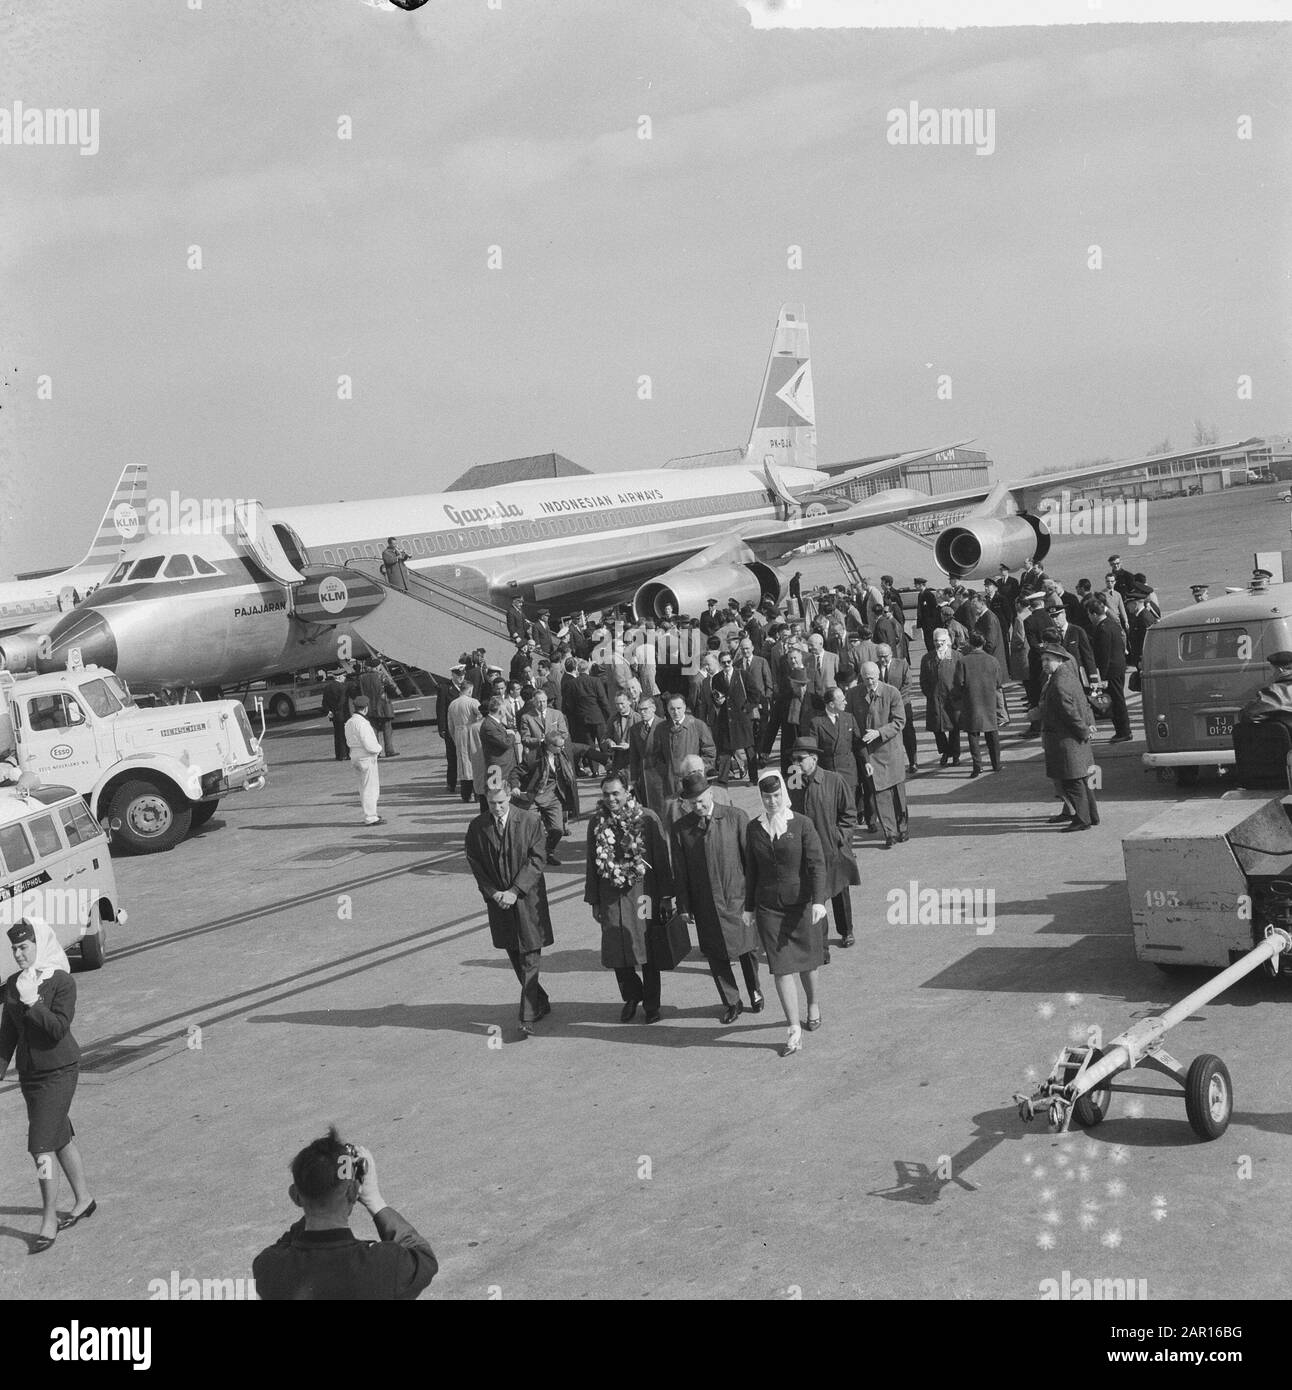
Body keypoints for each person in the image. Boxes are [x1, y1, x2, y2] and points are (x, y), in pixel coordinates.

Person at [252, 1127, 437, 1300]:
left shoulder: (269, 1268)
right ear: (352, 1192)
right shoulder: (384, 1266)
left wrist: (317, 1191)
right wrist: (374, 1200)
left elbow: (286, 1244)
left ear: (295, 1196)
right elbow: (423, 1256)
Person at [0, 921, 94, 1253]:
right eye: (14, 948)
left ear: (40, 944)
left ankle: (48, 1220)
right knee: (59, 1136)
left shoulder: (61, 982)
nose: (18, 953)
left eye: (24, 947)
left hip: (60, 1069)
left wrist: (33, 1004)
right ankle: (84, 1199)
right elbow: (8, 1035)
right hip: (31, 1076)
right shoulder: (12, 984)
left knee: (41, 1146)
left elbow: (57, 1029)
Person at [743, 772, 827, 1056]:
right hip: (769, 908)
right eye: (767, 797)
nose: (772, 801)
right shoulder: (754, 828)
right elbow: (751, 871)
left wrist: (818, 901)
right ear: (761, 797)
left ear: (784, 794)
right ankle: (794, 1029)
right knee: (780, 967)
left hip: (801, 905)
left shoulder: (802, 824)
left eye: (777, 795)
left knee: (807, 963)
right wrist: (749, 908)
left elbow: (817, 864)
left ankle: (813, 1003)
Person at [669, 771, 763, 1023]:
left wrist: (754, 897)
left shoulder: (735, 817)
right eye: (692, 803)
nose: (698, 806)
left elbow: (750, 862)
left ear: (710, 793)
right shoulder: (681, 829)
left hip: (738, 898)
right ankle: (732, 1002)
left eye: (701, 800)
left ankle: (755, 991)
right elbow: (680, 871)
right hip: (705, 902)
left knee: (748, 949)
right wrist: (684, 905)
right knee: (715, 954)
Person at [465, 786, 554, 1037]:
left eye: (501, 802)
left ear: (509, 797)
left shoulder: (530, 821)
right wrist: (493, 892)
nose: (497, 808)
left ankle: (527, 1016)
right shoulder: (477, 827)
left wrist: (515, 891)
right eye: (492, 803)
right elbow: (475, 862)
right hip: (499, 903)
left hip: (527, 900)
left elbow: (537, 860)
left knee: (530, 956)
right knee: (515, 953)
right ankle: (540, 999)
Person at [584, 774, 674, 1024]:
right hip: (611, 896)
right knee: (616, 948)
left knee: (647, 946)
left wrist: (666, 896)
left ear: (628, 792)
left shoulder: (646, 818)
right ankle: (632, 995)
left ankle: (652, 1004)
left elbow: (661, 859)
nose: (611, 799)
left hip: (643, 895)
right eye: (606, 794)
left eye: (616, 793)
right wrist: (594, 900)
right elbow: (592, 864)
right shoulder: (596, 823)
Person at [787, 738, 859, 949]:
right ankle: (821, 944)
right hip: (806, 852)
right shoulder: (793, 784)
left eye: (800, 759)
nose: (796, 764)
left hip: (832, 848)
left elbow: (849, 813)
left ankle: (846, 931)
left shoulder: (833, 781)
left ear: (814, 759)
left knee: (839, 892)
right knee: (815, 898)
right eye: (794, 759)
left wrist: (839, 837)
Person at [1039, 643, 1100, 832]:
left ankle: (1082, 819)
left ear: (1059, 660)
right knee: (1082, 780)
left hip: (1066, 741)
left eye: (1048, 660)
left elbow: (1070, 713)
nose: (1044, 663)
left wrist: (1083, 730)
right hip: (1074, 740)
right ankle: (1092, 816)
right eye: (1043, 660)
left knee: (1073, 782)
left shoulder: (1058, 683)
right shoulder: (1068, 677)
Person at [647, 692, 717, 803]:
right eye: (672, 709)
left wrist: (699, 770)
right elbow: (656, 755)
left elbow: (709, 751)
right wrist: (665, 771)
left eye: (679, 708)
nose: (676, 712)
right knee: (675, 810)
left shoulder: (697, 725)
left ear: (684, 707)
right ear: (667, 709)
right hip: (671, 782)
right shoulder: (661, 728)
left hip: (695, 781)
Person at [952, 632, 1003, 776]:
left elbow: (958, 683)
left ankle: (977, 766)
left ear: (970, 643)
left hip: (971, 702)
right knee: (992, 734)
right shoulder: (992, 660)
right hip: (989, 701)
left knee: (973, 735)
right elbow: (999, 682)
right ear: (983, 643)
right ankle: (996, 763)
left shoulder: (963, 661)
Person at [1088, 594, 1132, 742]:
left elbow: (1104, 655)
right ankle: (1122, 730)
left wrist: (1104, 677)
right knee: (1117, 700)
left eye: (1089, 614)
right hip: (1119, 666)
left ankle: (1123, 731)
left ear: (1094, 614)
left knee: (1116, 702)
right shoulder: (1112, 623)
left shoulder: (1103, 629)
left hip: (1112, 670)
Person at [711, 650, 759, 785]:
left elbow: (755, 694)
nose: (726, 664)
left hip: (742, 719)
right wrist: (717, 701)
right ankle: (723, 779)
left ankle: (754, 779)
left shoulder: (743, 675)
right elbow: (714, 696)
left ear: (732, 661)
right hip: (726, 719)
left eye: (728, 661)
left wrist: (747, 709)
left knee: (749, 750)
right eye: (723, 662)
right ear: (720, 664)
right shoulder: (717, 678)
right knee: (725, 750)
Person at [810, 685, 860, 805]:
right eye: (842, 700)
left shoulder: (849, 718)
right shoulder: (816, 722)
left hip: (849, 772)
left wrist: (867, 762)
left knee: (849, 809)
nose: (846, 702)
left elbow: (858, 744)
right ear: (831, 704)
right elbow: (813, 751)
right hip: (829, 772)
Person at [920, 628, 962, 768]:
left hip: (952, 699)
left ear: (948, 642)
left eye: (942, 641)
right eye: (936, 641)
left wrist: (958, 695)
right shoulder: (927, 658)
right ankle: (945, 751)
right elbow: (923, 680)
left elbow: (961, 678)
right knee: (937, 729)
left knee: (954, 728)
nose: (939, 644)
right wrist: (930, 694)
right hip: (935, 699)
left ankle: (955, 755)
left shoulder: (956, 657)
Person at [345, 694, 384, 826]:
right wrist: (379, 748)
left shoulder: (349, 722)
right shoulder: (363, 723)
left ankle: (369, 813)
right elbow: (369, 744)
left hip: (354, 755)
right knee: (370, 788)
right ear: (365, 708)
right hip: (366, 757)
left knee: (362, 787)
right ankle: (371, 816)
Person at [359, 659, 399, 758]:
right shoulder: (381, 675)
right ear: (377, 667)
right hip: (384, 705)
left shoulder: (362, 678)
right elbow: (392, 687)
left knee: (373, 730)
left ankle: (376, 752)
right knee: (387, 728)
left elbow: (359, 691)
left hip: (369, 707)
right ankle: (389, 750)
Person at [321, 670, 351, 762]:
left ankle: (338, 755)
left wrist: (329, 711)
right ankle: (345, 754)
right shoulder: (342, 687)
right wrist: (337, 711)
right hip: (342, 714)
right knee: (344, 735)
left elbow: (324, 702)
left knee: (337, 735)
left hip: (333, 715)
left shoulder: (327, 687)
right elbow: (342, 702)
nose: (344, 678)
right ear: (339, 677)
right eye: (343, 676)